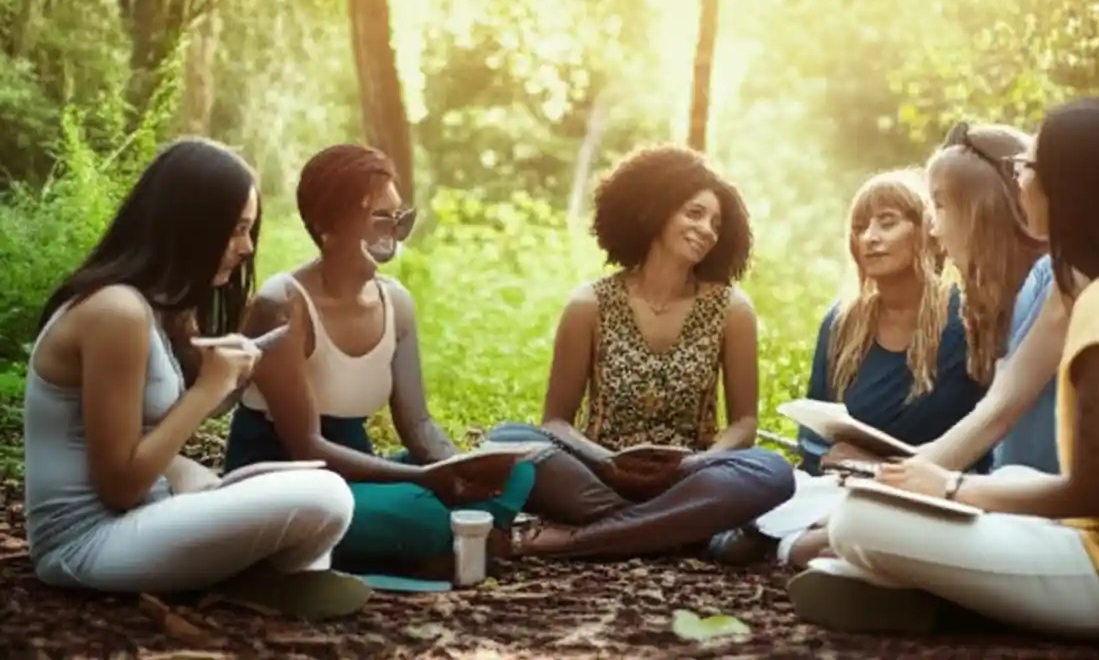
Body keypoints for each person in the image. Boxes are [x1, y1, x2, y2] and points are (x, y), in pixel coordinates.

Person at [791, 98, 1099, 640]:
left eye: (1028, 167)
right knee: (1005, 480)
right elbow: (1005, 403)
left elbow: (1091, 493)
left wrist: (951, 488)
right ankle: (934, 599)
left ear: (1069, 185)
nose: (1019, 180)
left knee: (858, 520)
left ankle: (942, 600)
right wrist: (915, 477)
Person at [23, 138, 368, 619]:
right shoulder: (115, 312)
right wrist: (209, 388)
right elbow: (119, 486)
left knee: (308, 484)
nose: (247, 248)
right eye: (237, 230)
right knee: (325, 498)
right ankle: (257, 580)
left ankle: (250, 581)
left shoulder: (151, 309)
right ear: (190, 227)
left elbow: (151, 446)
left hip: (141, 516)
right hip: (85, 544)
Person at [224, 144, 534, 578]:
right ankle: (452, 542)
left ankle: (438, 545)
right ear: (326, 225)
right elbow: (307, 447)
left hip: (359, 473)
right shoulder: (284, 304)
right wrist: (424, 481)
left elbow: (418, 425)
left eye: (399, 219)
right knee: (422, 511)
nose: (393, 233)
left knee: (518, 474)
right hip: (289, 484)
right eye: (378, 218)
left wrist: (462, 471)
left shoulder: (396, 303)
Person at [484, 144, 794, 559]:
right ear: (656, 210)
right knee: (505, 440)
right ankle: (682, 531)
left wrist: (692, 465)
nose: (707, 230)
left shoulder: (732, 309)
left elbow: (744, 424)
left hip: (692, 478)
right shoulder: (589, 304)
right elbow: (555, 421)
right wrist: (606, 461)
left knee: (773, 471)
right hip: (598, 475)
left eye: (717, 223)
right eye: (694, 213)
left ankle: (579, 540)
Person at [759, 169, 985, 569]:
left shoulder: (965, 321)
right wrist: (836, 460)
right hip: (839, 487)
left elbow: (980, 440)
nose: (870, 237)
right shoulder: (842, 321)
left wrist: (880, 466)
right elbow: (813, 435)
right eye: (860, 227)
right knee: (758, 477)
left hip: (929, 494)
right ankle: (818, 545)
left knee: (856, 530)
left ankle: (805, 547)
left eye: (887, 222)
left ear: (925, 230)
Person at [916, 121, 1062, 474]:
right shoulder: (1007, 302)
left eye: (940, 206)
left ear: (984, 213)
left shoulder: (1053, 279)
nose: (933, 230)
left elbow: (999, 415)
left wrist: (892, 476)